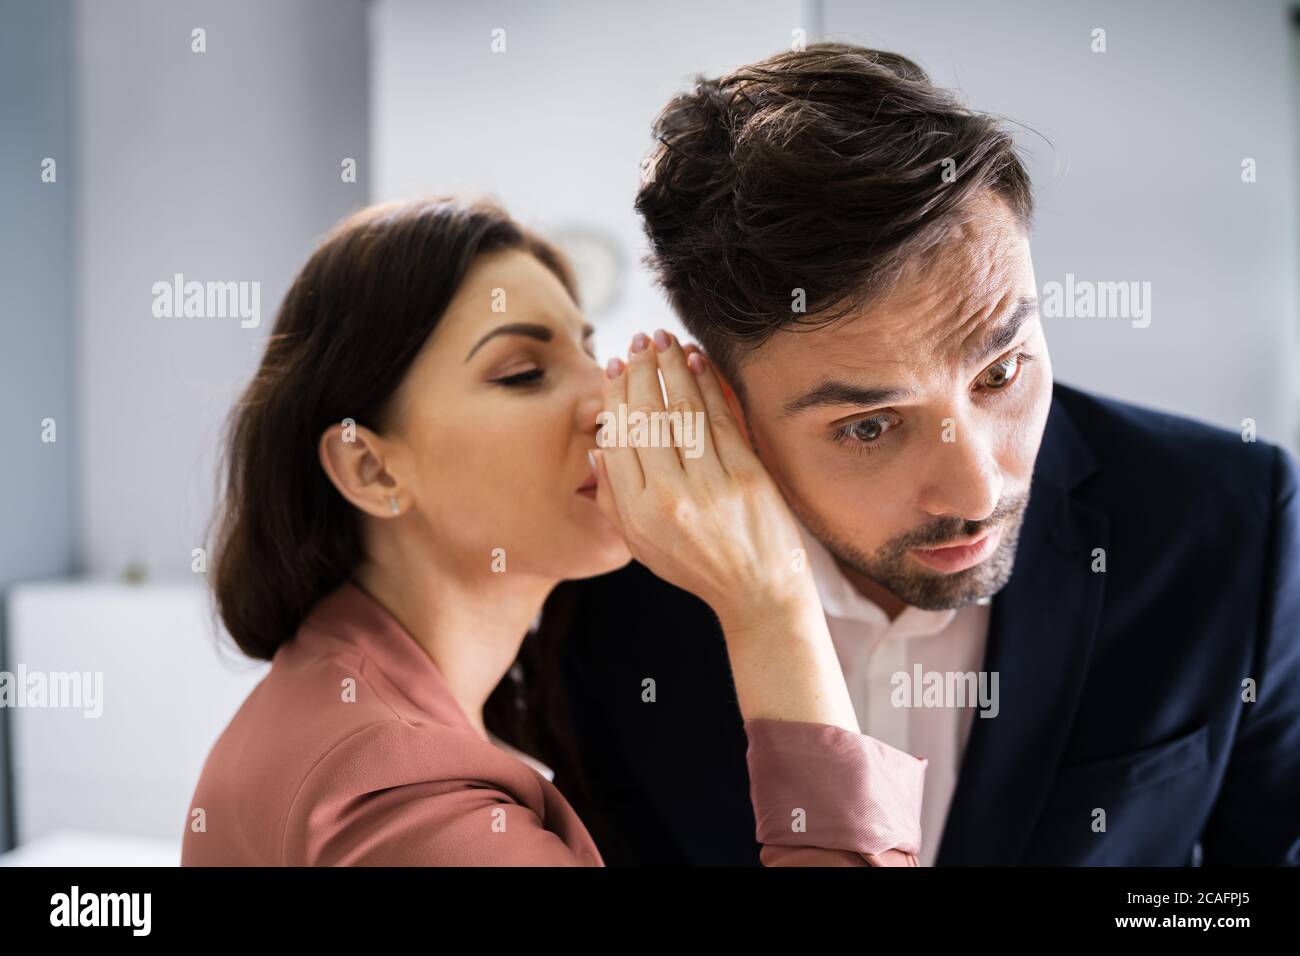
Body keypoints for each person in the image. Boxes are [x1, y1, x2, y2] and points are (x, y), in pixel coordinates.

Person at [554, 43, 1300, 866]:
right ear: (727, 410)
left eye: (1001, 372)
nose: (978, 486)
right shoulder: (611, 586)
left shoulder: (1226, 517)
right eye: (870, 426)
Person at [181, 196, 925, 866]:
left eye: (588, 351)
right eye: (522, 373)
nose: (607, 399)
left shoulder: (352, 702)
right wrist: (773, 605)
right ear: (372, 469)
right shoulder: (397, 794)